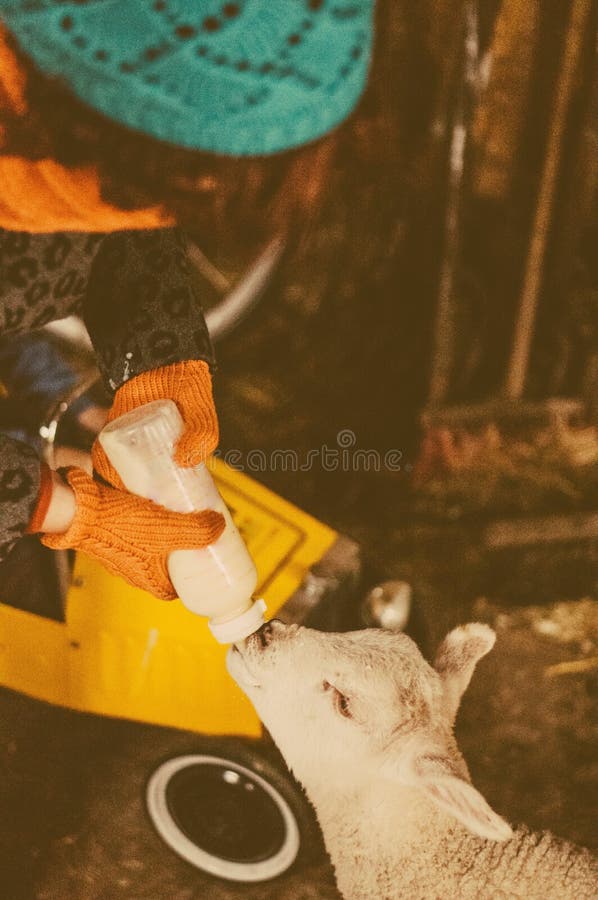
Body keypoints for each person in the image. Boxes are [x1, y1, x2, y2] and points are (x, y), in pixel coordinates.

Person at [0, 1, 374, 599]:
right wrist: (60, 506)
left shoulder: (88, 134)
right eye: (183, 181)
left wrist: (158, 352)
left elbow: (120, 217)